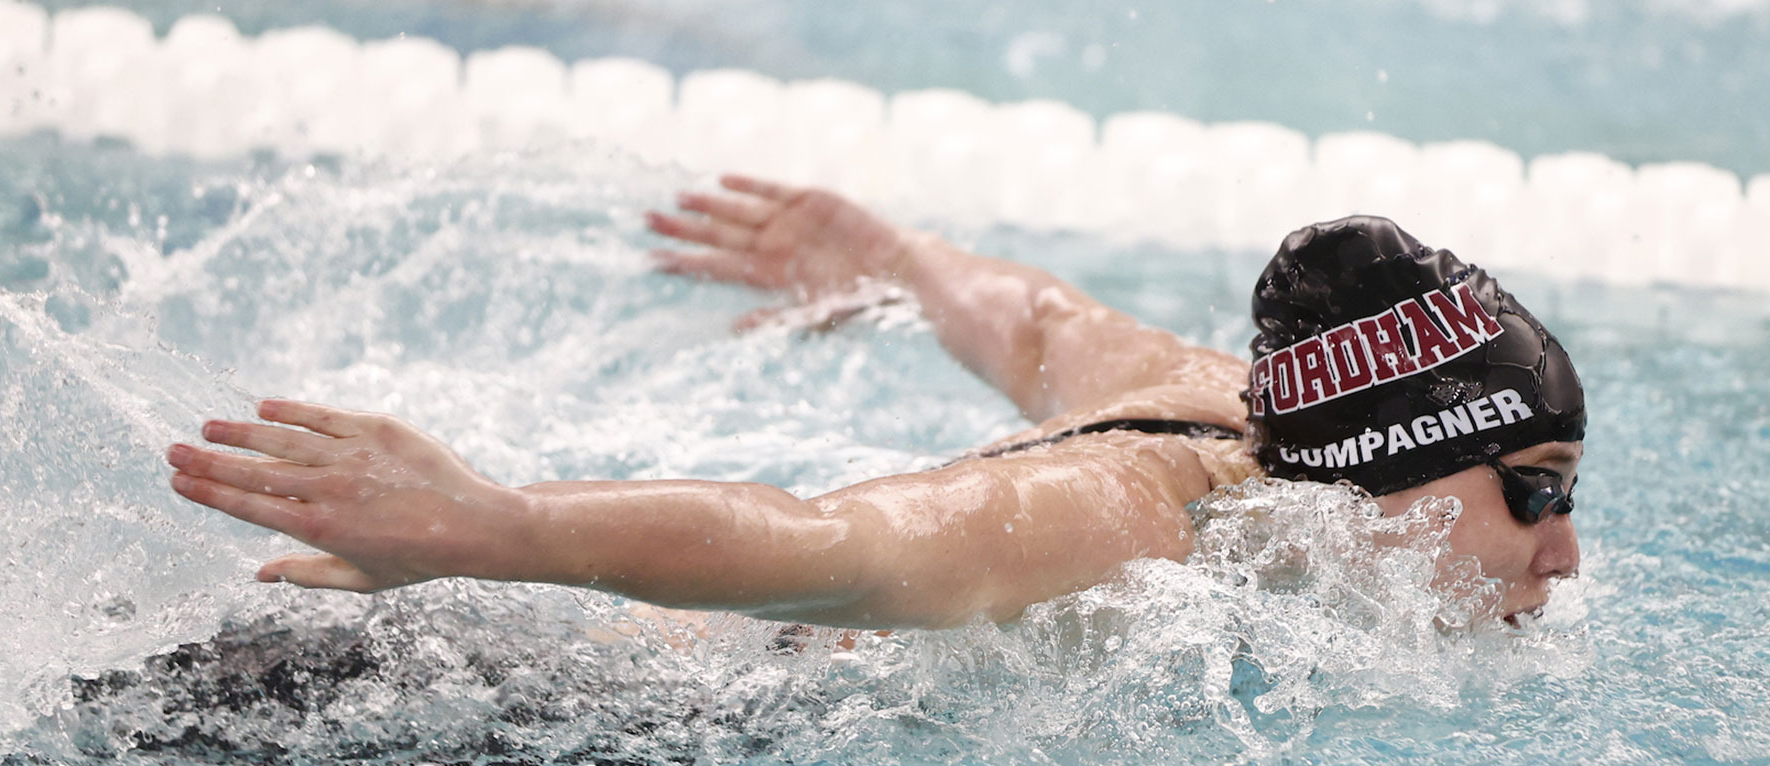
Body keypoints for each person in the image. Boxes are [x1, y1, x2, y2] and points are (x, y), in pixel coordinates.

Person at [167, 174, 1584, 630]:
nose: (1563, 549)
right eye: (1532, 487)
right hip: (577, 706)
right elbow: (822, 544)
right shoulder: (1128, 524)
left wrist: (902, 262)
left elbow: (1042, 326)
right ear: (1391, 470)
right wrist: (493, 524)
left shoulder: (1233, 404)